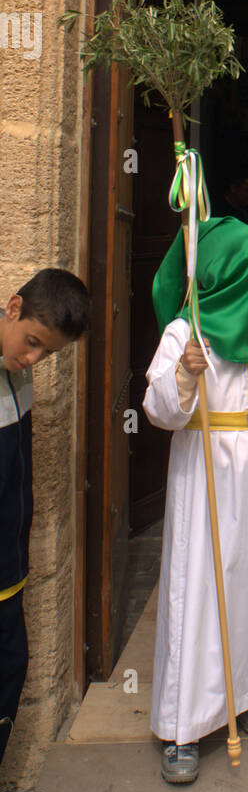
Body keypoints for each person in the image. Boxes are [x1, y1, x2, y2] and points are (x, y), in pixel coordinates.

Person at [143, 216, 248, 784]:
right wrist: (186, 375)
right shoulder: (183, 332)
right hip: (207, 471)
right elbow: (160, 411)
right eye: (245, 272)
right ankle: (185, 725)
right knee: (201, 588)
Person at [0, 269, 90, 765]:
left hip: (9, 568)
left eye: (47, 354)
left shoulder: (19, 369)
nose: (33, 359)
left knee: (12, 670)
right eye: (32, 342)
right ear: (13, 308)